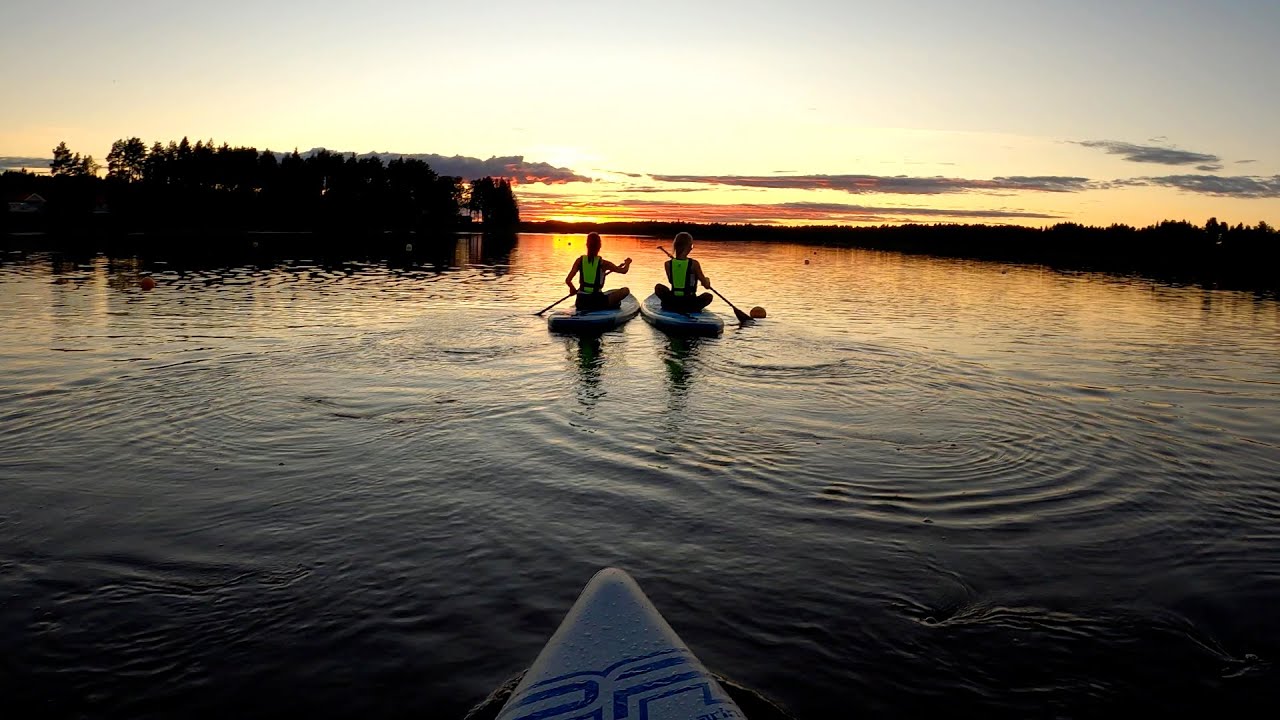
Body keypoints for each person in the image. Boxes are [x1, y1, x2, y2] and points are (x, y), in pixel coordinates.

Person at [565, 232, 632, 311]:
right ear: (599, 246)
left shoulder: (579, 261)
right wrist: (627, 263)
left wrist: (572, 289)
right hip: (597, 301)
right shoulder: (604, 263)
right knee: (625, 290)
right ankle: (611, 304)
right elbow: (623, 271)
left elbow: (568, 280)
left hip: (581, 302)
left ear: (587, 245)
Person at [655, 231, 713, 312]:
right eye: (692, 246)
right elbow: (706, 285)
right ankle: (691, 308)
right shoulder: (694, 264)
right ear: (689, 247)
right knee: (708, 296)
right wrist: (707, 280)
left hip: (673, 300)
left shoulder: (668, 264)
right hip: (689, 301)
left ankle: (670, 305)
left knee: (658, 287)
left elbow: (671, 281)